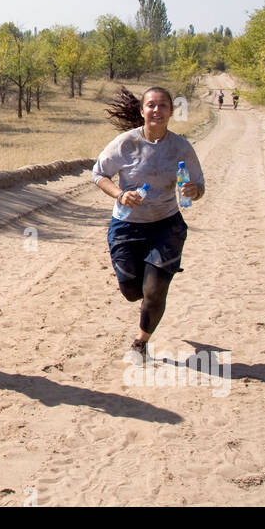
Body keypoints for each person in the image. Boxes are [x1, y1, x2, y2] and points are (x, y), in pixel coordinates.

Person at [92, 86, 205, 361]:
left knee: (154, 292)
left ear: (171, 111)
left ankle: (141, 343)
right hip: (127, 226)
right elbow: (99, 174)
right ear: (142, 111)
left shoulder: (181, 146)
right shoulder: (125, 143)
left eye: (163, 105)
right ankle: (148, 292)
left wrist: (194, 191)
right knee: (132, 292)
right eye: (151, 105)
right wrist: (120, 194)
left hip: (167, 225)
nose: (157, 110)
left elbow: (199, 185)